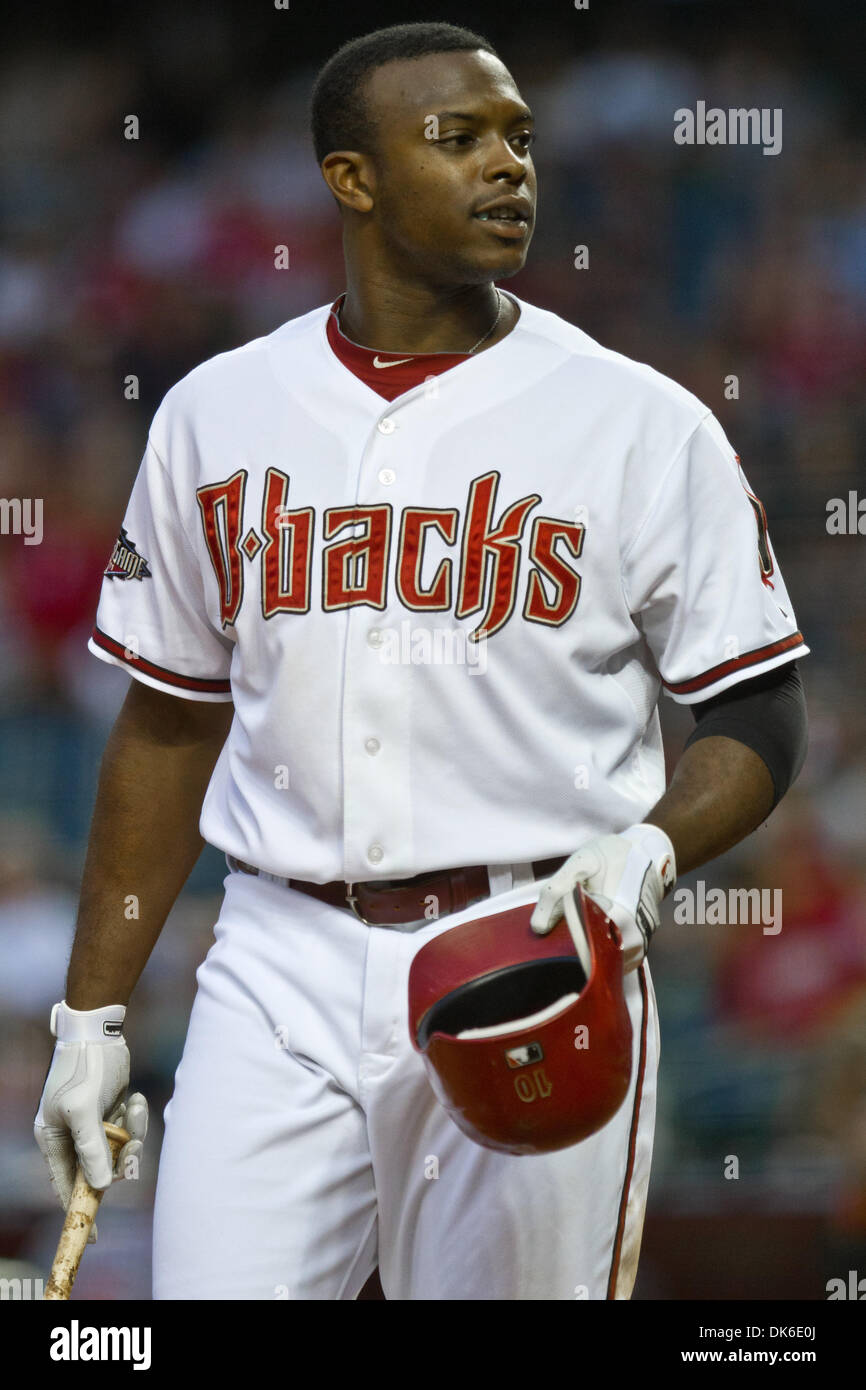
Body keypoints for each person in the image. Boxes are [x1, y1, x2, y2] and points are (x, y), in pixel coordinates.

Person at [34, 21, 809, 1300]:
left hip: (530, 948)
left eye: (518, 138)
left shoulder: (638, 419)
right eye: (458, 140)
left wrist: (653, 845)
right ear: (353, 179)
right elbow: (169, 719)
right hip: (274, 959)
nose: (507, 167)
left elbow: (760, 708)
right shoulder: (217, 410)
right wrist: (93, 1016)